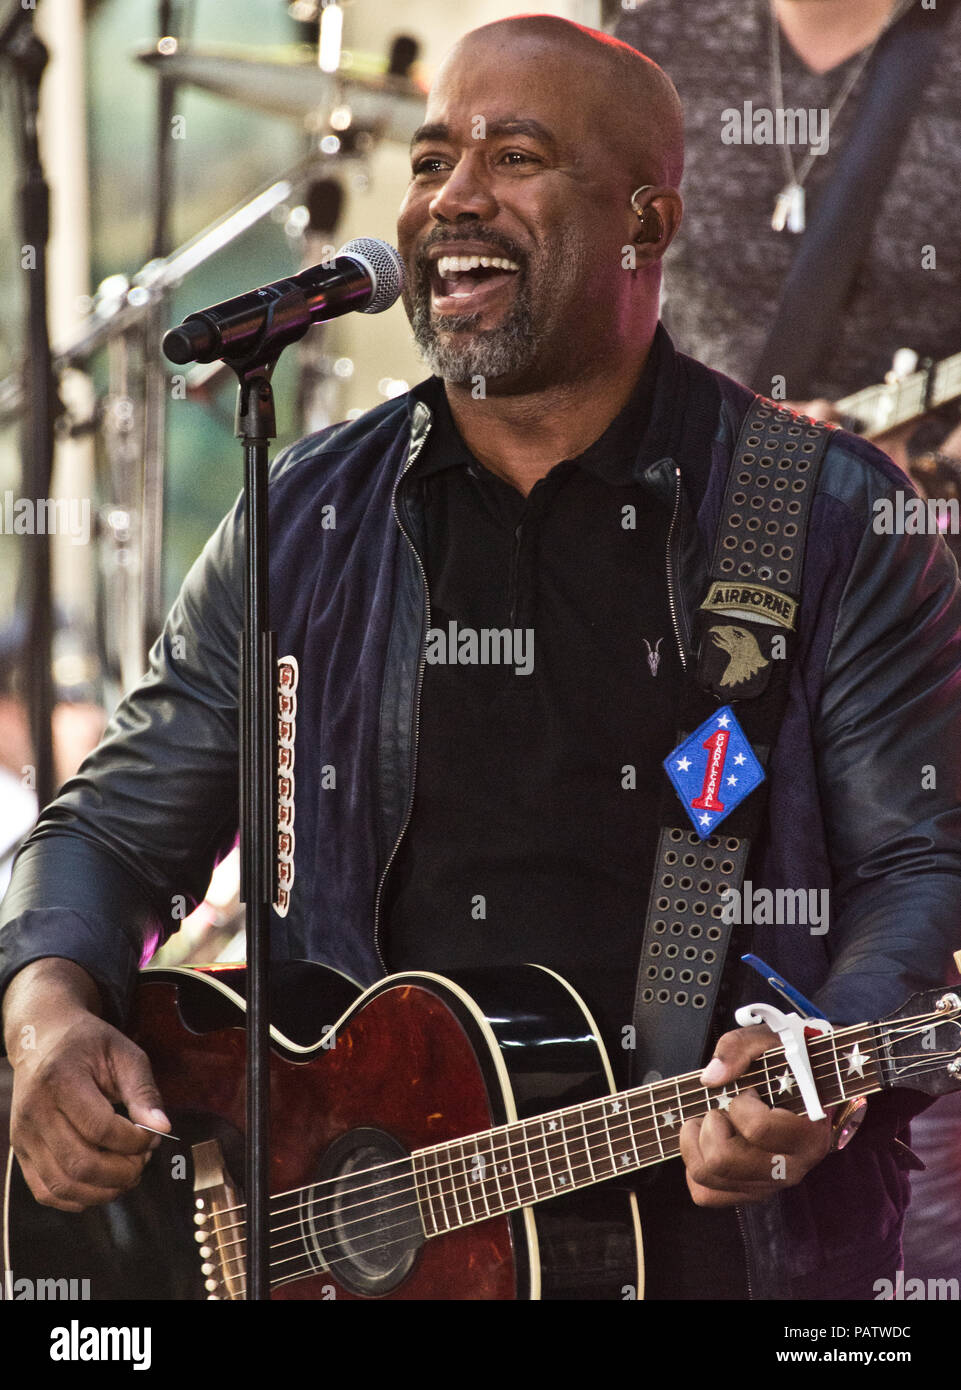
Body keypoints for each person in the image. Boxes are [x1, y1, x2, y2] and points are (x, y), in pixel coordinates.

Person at [1, 14, 960, 1300]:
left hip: (718, 1257)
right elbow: (111, 833)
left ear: (645, 224)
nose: (452, 196)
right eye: (431, 157)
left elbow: (920, 858)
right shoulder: (304, 520)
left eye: (514, 157)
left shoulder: (824, 512)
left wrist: (819, 1062)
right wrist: (46, 1017)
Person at [614, 0, 961, 1280]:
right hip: (679, 567)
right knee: (686, 901)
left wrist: (868, 467)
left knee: (888, 912)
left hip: (899, 572)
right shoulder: (656, 28)